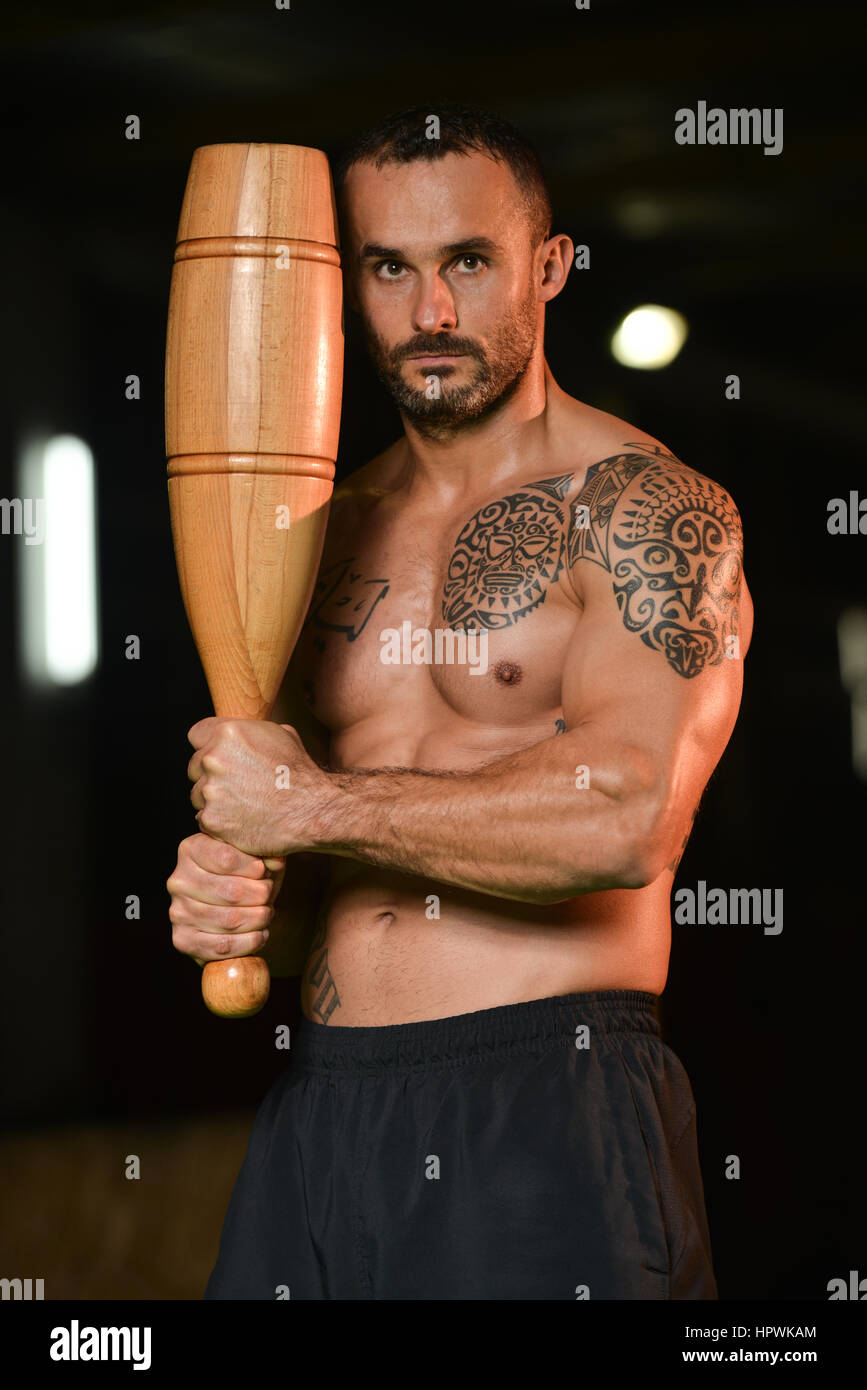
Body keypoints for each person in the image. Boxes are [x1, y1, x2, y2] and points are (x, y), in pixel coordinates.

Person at [167, 104, 753, 1300]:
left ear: (549, 265)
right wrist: (236, 897)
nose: (429, 313)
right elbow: (295, 843)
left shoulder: (642, 509)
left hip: (544, 1103)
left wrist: (309, 804)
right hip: (325, 1110)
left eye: (467, 264)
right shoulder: (308, 532)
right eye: (389, 267)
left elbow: (623, 815)